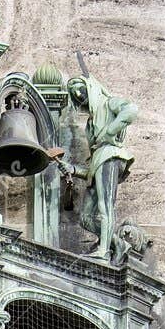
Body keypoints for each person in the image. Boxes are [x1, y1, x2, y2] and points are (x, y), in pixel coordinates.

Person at [62, 73, 137, 263]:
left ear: (91, 88)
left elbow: (131, 110)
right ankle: (117, 244)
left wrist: (109, 131)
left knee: (105, 205)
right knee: (86, 218)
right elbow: (91, 168)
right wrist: (73, 169)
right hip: (100, 160)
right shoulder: (91, 122)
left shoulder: (109, 103)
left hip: (111, 155)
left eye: (80, 90)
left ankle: (103, 251)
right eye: (74, 94)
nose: (79, 96)